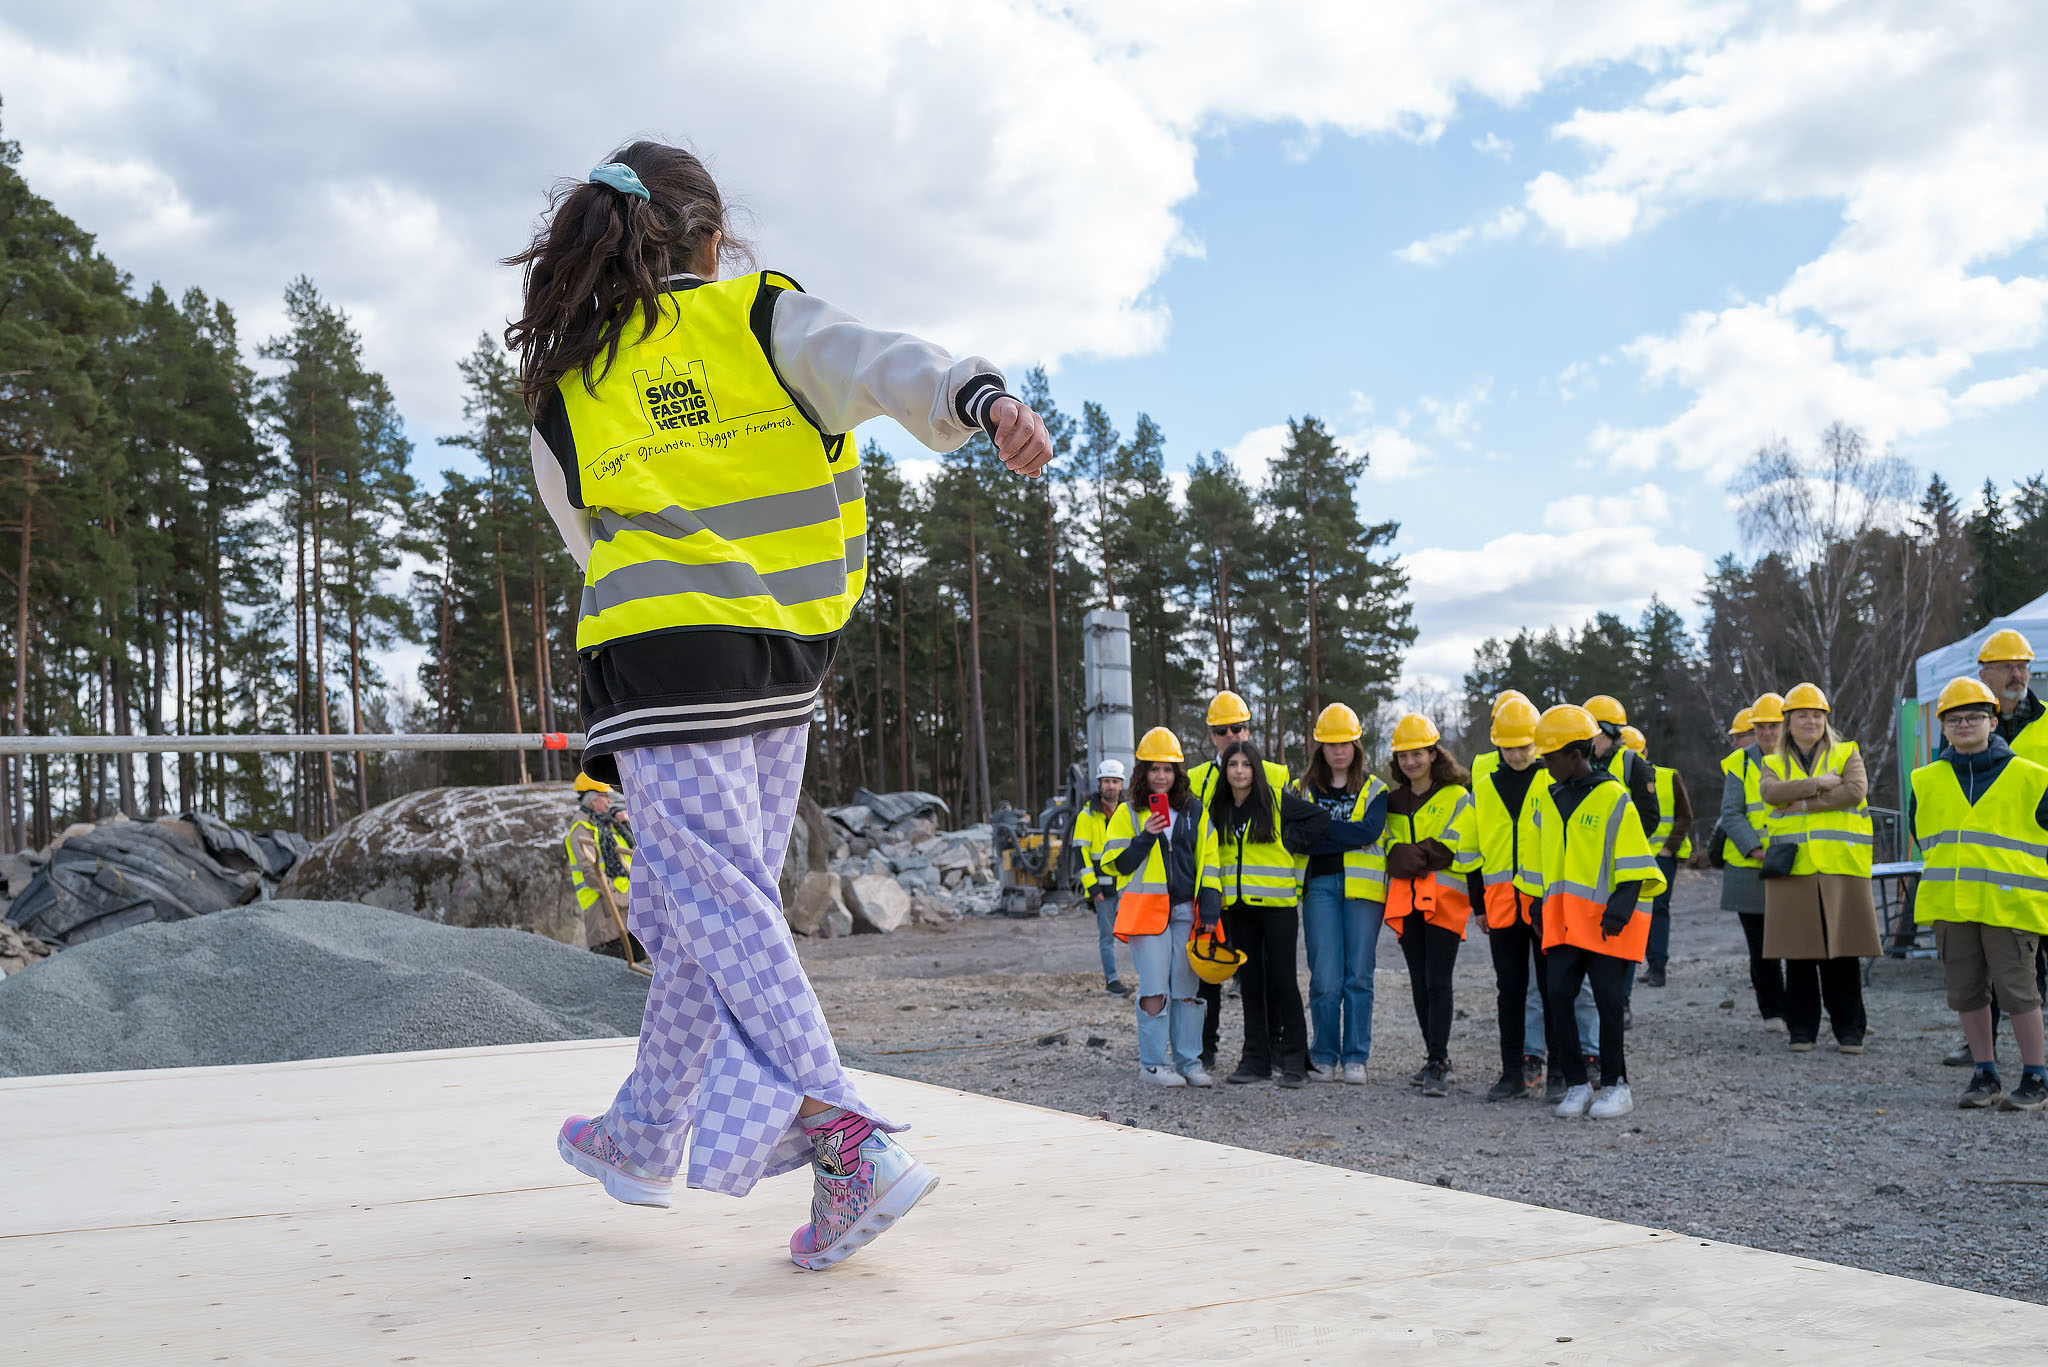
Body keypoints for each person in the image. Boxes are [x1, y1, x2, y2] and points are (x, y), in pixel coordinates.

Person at [519, 142, 1053, 1270]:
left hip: (662, 667)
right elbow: (885, 362)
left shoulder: (568, 386)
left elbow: (586, 546)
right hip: (778, 665)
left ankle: (843, 1138)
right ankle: (643, 1128)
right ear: (716, 242)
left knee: (710, 911)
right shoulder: (762, 319)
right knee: (707, 906)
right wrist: (981, 397)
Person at [1910, 677, 2048, 1111]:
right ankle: (1984, 1073)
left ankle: (2035, 1078)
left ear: (1993, 722)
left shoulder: (2032, 777)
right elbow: (1922, 833)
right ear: (1943, 728)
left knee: (2019, 993)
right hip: (1952, 906)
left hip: (2010, 905)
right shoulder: (1925, 780)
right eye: (1954, 718)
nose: (1963, 723)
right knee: (1967, 993)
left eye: (1973, 717)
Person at [1527, 705, 1668, 1120]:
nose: (1545, 764)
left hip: (1607, 924)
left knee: (1608, 1002)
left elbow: (1634, 858)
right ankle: (1576, 1084)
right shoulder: (1550, 798)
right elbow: (1540, 860)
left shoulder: (1613, 796)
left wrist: (1621, 907)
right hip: (1564, 923)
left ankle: (1615, 1085)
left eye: (1550, 756)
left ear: (1575, 753)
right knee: (1557, 998)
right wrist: (1536, 903)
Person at [1941, 631, 2048, 1065]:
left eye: (2022, 665)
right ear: (1984, 672)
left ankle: (2033, 1057)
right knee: (1987, 963)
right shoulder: (1964, 721)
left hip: (2040, 859)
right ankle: (1982, 1047)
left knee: (2029, 966)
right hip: (1989, 867)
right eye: (2006, 666)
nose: (2017, 673)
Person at [1758, 683, 1881, 1054]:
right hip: (1794, 867)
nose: (1810, 721)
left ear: (1826, 720)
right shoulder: (1771, 762)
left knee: (1843, 952)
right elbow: (1770, 793)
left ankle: (1850, 1030)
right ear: (1788, 722)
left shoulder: (1847, 753)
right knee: (1798, 953)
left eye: (1817, 715)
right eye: (1802, 715)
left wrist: (1804, 803)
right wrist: (1819, 784)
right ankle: (1802, 1030)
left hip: (1840, 865)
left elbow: (1854, 791)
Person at [1103, 727, 1224, 1088]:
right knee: (1155, 988)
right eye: (1154, 769)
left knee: (1187, 991)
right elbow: (1116, 864)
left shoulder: (1195, 812)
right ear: (1143, 772)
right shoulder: (1128, 814)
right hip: (1147, 915)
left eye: (1168, 769)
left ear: (1178, 773)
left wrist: (1211, 913)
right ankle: (1154, 1065)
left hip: (1187, 912)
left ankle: (1189, 1062)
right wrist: (1147, 836)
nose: (1161, 776)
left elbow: (1211, 863)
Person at [1210, 740, 1329, 1087]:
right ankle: (1256, 1060)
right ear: (1225, 770)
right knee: (1250, 985)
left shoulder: (1275, 801)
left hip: (1277, 909)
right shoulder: (1219, 808)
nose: (1239, 771)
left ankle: (1294, 1060)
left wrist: (1292, 843)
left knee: (1283, 983)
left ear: (1256, 770)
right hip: (1239, 911)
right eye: (1233, 764)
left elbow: (1319, 818)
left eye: (1246, 765)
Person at [1189, 689, 1292, 1072]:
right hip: (1213, 891)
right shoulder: (1197, 778)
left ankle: (1273, 1045)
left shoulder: (1276, 774)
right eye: (1222, 729)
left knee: (1264, 974)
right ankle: (1205, 1046)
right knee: (1206, 972)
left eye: (1239, 727)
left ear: (1249, 730)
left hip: (1257, 893)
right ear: (1211, 735)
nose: (1231, 735)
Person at [1472, 696, 1566, 1101]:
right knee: (1509, 990)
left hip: (1545, 903)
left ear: (1537, 743)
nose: (1515, 754)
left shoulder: (1554, 783)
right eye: (1508, 747)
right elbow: (1474, 850)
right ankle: (1512, 1072)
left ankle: (1561, 1070)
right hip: (1499, 902)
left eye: (1523, 746)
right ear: (1497, 745)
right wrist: (1477, 904)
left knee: (1554, 987)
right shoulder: (1484, 786)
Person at [1380, 713, 1479, 1098]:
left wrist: (1411, 855)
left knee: (1439, 981)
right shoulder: (1392, 802)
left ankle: (1439, 1060)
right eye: (1404, 756)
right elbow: (1387, 848)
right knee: (1420, 982)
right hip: (1408, 905)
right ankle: (1434, 1057)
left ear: (1434, 754)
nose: (1411, 762)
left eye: (1418, 754)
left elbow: (1453, 847)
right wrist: (1409, 854)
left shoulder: (1458, 796)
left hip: (1444, 902)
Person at [1297, 703, 1390, 1085]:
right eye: (1330, 744)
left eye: (1345, 743)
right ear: (1320, 747)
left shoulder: (1376, 789)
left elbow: (1367, 833)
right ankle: (1323, 1055)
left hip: (1363, 892)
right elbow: (1299, 838)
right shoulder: (1300, 789)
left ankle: (1355, 1057)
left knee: (1358, 977)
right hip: (1319, 887)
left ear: (1356, 746)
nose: (1338, 750)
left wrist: (1322, 832)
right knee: (1324, 978)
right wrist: (1339, 835)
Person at [1718, 694, 1787, 1032]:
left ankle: (1802, 1010)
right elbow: (1730, 814)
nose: (1767, 732)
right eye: (1760, 727)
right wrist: (1755, 850)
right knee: (1761, 947)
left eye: (1773, 726)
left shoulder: (1799, 758)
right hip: (1751, 869)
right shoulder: (1739, 763)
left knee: (1799, 943)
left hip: (1794, 864)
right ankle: (1773, 1011)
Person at [1623, 726, 1693, 987]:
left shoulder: (1667, 777)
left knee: (1658, 910)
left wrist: (1669, 849)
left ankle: (1658, 966)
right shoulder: (1613, 779)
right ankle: (1639, 964)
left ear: (1646, 752)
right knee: (1632, 913)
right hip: (1632, 857)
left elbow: (1685, 816)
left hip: (1662, 857)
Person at [1071, 759, 1130, 997]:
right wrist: (1091, 886)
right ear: (1099, 784)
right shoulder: (1086, 816)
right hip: (1102, 889)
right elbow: (1080, 852)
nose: (1111, 786)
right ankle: (1112, 980)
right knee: (1107, 937)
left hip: (1126, 886)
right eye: (1107, 781)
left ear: (1121, 784)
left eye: (1115, 782)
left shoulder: (1127, 813)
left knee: (1136, 934)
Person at [566, 773, 638, 960]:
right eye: (604, 796)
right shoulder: (582, 829)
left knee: (640, 969)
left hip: (628, 909)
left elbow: (633, 853)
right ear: (592, 800)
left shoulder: (609, 824)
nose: (608, 801)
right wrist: (622, 897)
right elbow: (591, 873)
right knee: (615, 971)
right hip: (605, 914)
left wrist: (627, 823)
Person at [1582, 695, 1659, 837]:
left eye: (1589, 732)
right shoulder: (1583, 762)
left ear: (1606, 730)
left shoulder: (1631, 762)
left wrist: (1624, 844)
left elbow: (1649, 818)